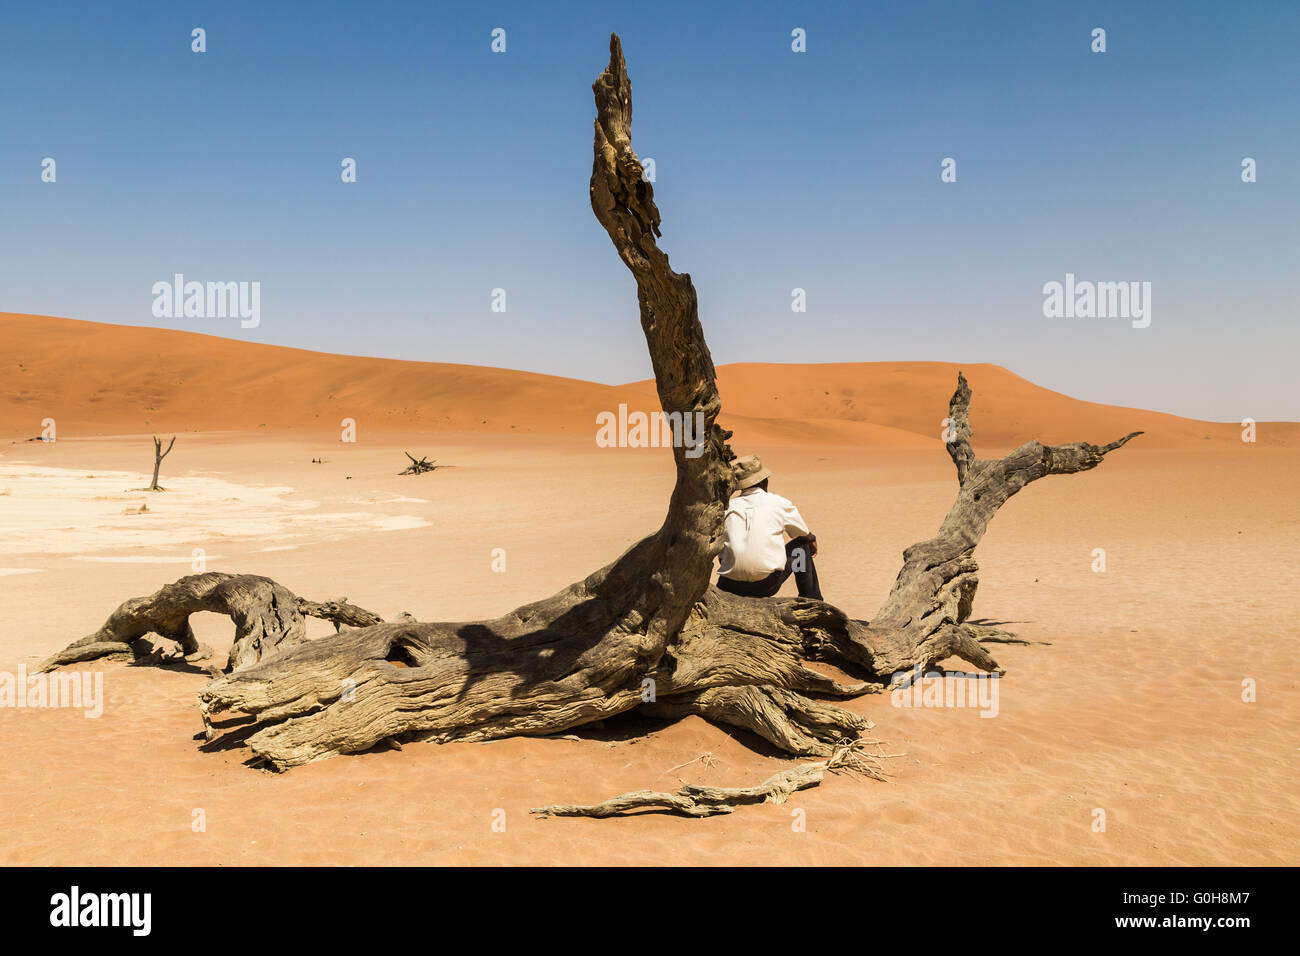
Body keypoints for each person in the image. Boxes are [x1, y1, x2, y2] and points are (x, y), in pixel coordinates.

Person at [716, 454, 823, 600]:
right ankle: (811, 598)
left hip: (728, 586)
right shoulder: (778, 503)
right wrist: (811, 538)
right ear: (764, 480)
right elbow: (802, 533)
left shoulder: (726, 507)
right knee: (801, 547)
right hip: (766, 585)